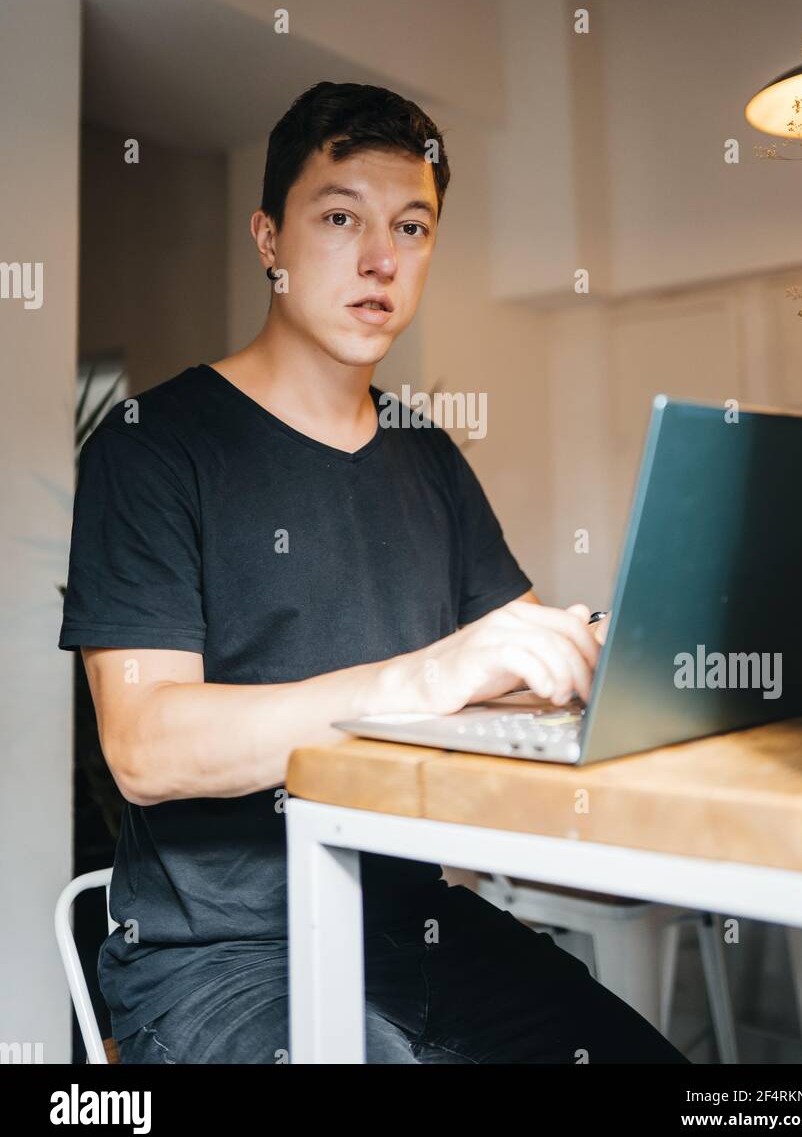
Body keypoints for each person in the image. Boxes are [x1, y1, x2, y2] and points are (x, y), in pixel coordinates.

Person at [59, 81, 689, 1064]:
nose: (379, 259)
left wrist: (608, 650)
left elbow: (515, 659)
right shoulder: (152, 448)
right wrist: (424, 676)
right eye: (340, 217)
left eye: (410, 225)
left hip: (415, 934)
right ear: (268, 238)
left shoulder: (424, 455)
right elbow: (147, 746)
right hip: (219, 962)